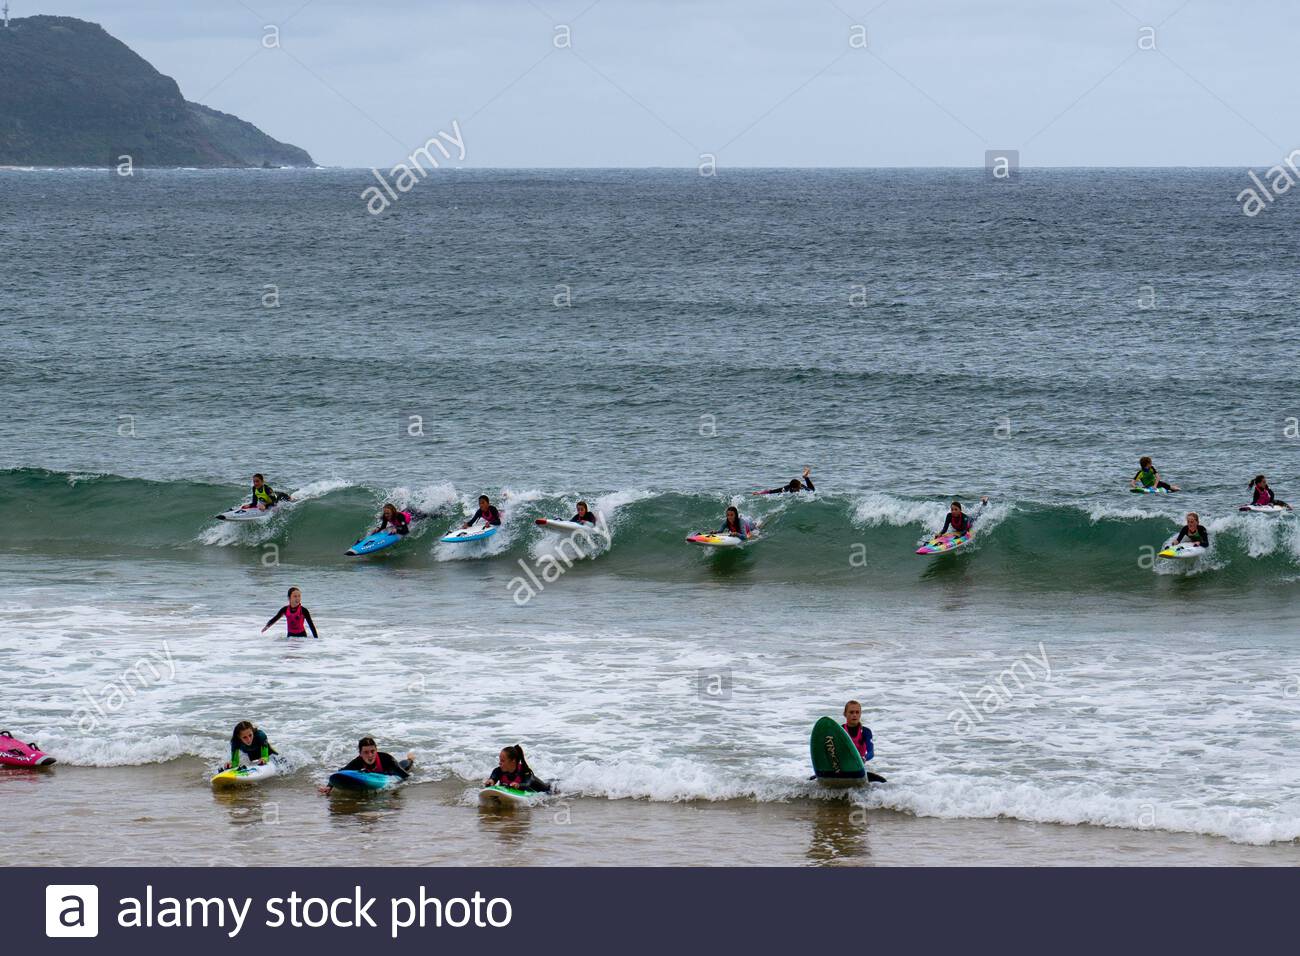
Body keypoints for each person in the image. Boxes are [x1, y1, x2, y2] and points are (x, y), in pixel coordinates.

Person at [318, 737, 414, 794]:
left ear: (376, 750)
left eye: (373, 751)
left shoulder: (387, 759)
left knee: (405, 765)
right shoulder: (358, 761)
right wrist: (329, 787)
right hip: (372, 775)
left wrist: (395, 789)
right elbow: (340, 773)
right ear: (360, 753)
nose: (370, 755)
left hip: (389, 772)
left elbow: (406, 777)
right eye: (366, 752)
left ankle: (410, 758)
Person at [842, 700, 887, 784]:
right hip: (841, 768)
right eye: (851, 712)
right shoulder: (840, 731)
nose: (854, 715)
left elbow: (871, 752)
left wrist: (864, 758)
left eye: (857, 712)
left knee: (884, 782)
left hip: (858, 768)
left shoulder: (865, 732)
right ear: (845, 714)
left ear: (860, 714)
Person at [484, 744, 551, 793]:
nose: (499, 763)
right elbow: (493, 777)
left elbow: (527, 784)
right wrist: (491, 781)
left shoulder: (524, 772)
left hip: (547, 790)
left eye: (503, 761)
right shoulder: (498, 771)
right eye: (500, 760)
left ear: (513, 761)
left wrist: (518, 785)